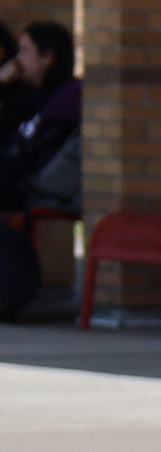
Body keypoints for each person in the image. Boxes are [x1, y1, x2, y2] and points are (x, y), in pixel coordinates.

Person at [0, 19, 83, 319]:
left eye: (24, 52)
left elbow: (28, 153)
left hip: (37, 185)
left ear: (47, 58)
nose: (16, 61)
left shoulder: (67, 97)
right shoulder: (23, 99)